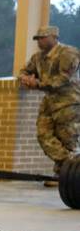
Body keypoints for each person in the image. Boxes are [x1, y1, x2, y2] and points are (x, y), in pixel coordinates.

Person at [18, 24, 80, 182]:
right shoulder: (37, 57)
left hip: (68, 102)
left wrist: (37, 83)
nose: (40, 41)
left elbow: (62, 79)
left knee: (68, 139)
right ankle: (71, 169)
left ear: (54, 37)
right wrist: (25, 78)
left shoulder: (69, 53)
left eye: (43, 38)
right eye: (38, 39)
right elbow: (24, 71)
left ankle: (64, 175)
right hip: (49, 101)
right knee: (43, 135)